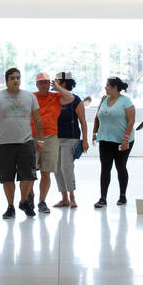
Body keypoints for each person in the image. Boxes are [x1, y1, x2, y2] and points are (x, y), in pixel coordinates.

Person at [0, 67, 44, 218]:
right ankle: (10, 206)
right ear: (7, 81)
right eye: (13, 78)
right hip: (3, 144)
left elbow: (37, 120)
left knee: (28, 175)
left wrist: (40, 140)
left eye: (18, 78)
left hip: (25, 142)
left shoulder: (29, 97)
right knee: (7, 177)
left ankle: (23, 201)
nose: (16, 80)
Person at [30, 72, 75, 214]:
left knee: (46, 172)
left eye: (46, 82)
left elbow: (71, 98)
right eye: (41, 82)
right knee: (30, 172)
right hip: (32, 136)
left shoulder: (56, 97)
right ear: (37, 84)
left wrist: (57, 87)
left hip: (50, 138)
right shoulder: (32, 97)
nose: (44, 85)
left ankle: (42, 202)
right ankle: (29, 198)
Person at [92, 77, 136, 208]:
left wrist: (126, 139)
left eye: (107, 85)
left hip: (122, 141)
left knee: (120, 167)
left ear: (115, 87)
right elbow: (97, 116)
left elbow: (131, 121)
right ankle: (103, 198)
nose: (105, 88)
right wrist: (94, 132)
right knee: (105, 168)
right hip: (105, 139)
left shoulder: (126, 101)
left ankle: (122, 196)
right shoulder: (104, 99)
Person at [52, 76, 89, 208]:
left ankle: (72, 197)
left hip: (70, 139)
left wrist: (85, 140)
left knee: (66, 167)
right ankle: (64, 198)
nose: (53, 82)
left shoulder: (75, 100)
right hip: (55, 139)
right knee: (56, 169)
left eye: (56, 80)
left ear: (63, 83)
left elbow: (83, 122)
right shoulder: (54, 99)